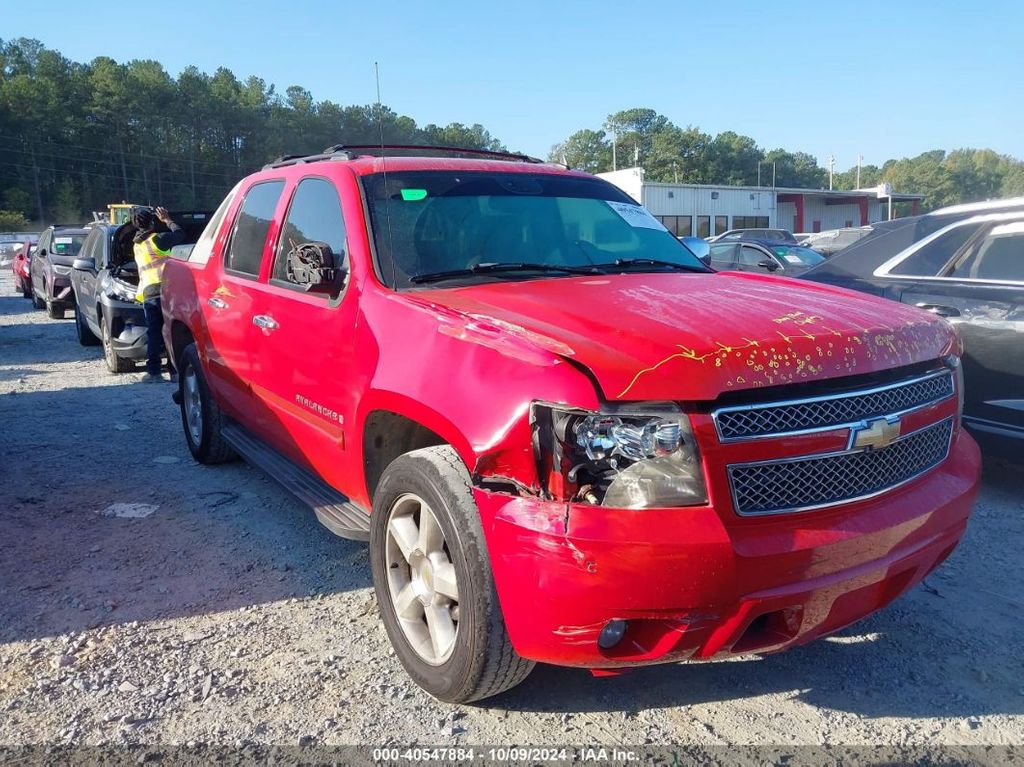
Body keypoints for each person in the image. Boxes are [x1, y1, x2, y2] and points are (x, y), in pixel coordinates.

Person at [132, 206, 185, 382]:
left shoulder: (137, 244)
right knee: (169, 331)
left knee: (154, 333)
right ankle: (175, 372)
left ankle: (154, 372)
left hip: (148, 292)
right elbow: (180, 234)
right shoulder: (157, 240)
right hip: (164, 290)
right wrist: (167, 220)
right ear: (153, 222)